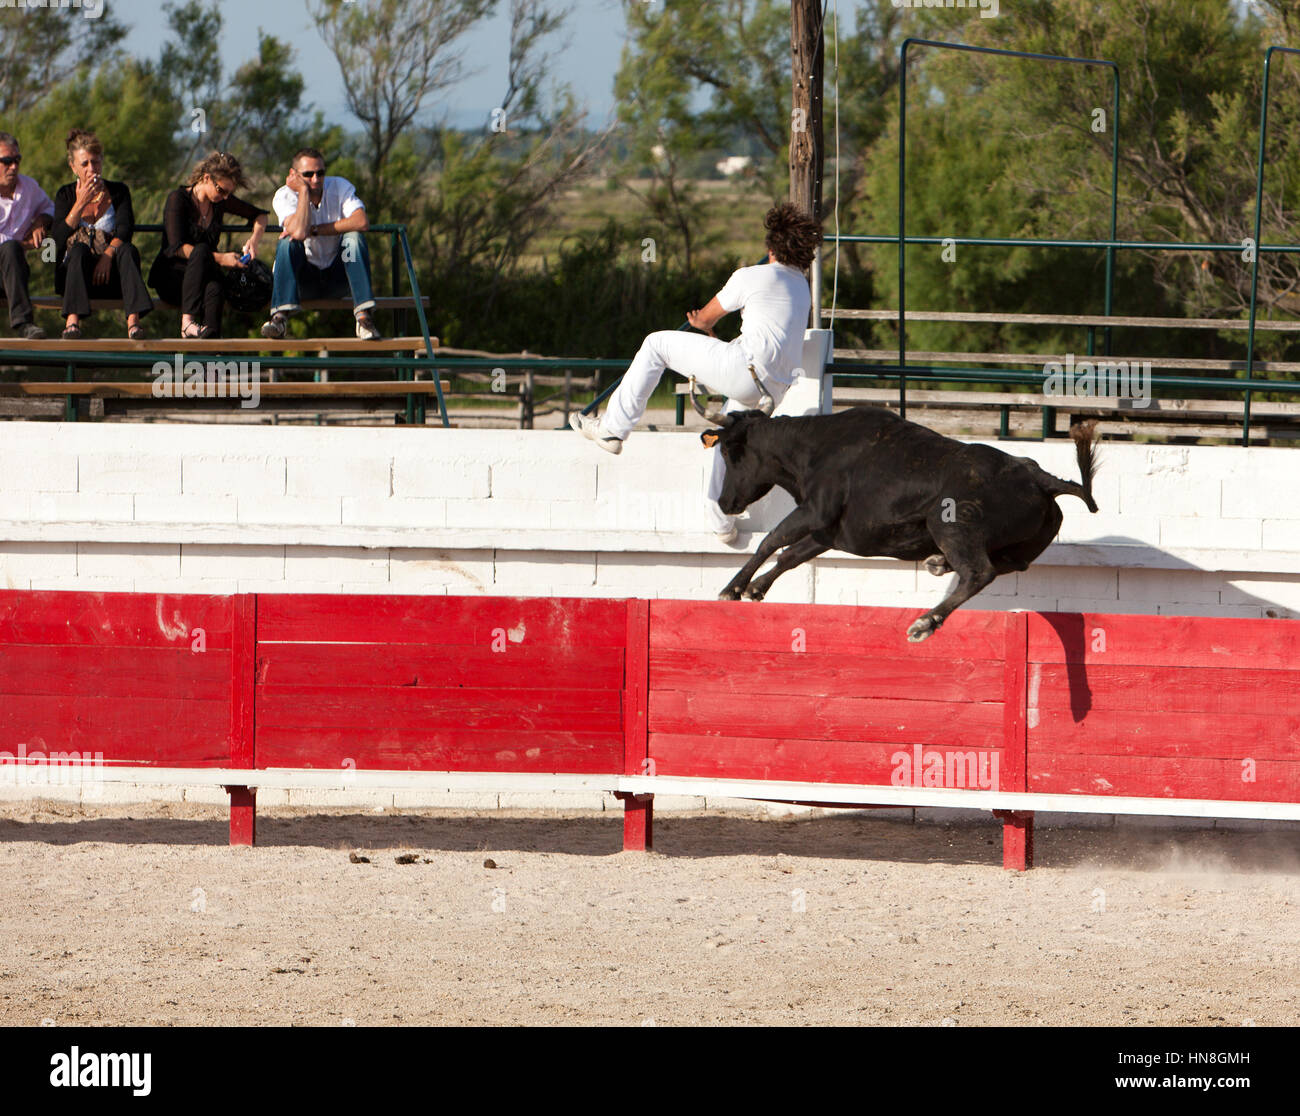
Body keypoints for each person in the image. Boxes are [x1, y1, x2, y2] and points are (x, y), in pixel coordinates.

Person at [571, 202, 822, 542]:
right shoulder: (802, 287)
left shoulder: (750, 275)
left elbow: (705, 318)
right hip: (773, 389)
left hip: (743, 370)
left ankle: (612, 429)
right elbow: (771, 335)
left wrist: (700, 323)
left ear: (771, 248)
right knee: (728, 433)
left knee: (656, 344)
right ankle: (721, 521)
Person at [260, 148, 380, 341]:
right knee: (287, 243)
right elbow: (299, 233)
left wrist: (315, 229)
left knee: (353, 238)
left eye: (320, 173)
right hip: (303, 281)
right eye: (308, 174)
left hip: (338, 278)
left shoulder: (340, 186)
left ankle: (364, 318)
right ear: (293, 175)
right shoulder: (284, 195)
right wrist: (303, 192)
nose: (316, 179)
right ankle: (280, 318)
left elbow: (361, 222)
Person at [148, 151, 268, 338]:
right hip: (174, 279)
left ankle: (210, 348)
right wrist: (221, 258)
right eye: (222, 190)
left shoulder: (220, 201)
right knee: (202, 250)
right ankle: (187, 323)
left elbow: (260, 215)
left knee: (216, 288)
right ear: (206, 178)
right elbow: (176, 248)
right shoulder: (177, 199)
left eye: (229, 193)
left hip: (204, 280)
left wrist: (254, 240)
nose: (225, 197)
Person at [51, 129, 154, 340]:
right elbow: (58, 238)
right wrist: (80, 203)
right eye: (85, 164)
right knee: (78, 249)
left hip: (111, 275)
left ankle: (134, 323)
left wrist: (107, 256)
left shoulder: (119, 191)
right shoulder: (65, 194)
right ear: (73, 166)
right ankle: (72, 323)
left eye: (95, 162)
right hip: (76, 277)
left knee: (127, 249)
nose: (91, 169)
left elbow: (126, 228)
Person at [0, 131, 54, 340]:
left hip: (13, 275)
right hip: (10, 266)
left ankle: (24, 324)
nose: (14, 166)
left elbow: (51, 208)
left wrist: (41, 222)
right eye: (7, 161)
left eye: (17, 160)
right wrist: (23, 244)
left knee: (12, 252)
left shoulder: (29, 187)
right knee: (11, 248)